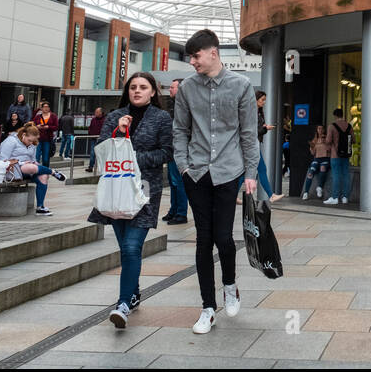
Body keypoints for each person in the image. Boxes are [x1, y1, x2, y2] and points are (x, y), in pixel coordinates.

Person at [172, 29, 258, 335]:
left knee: (224, 237)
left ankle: (230, 285)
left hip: (228, 171)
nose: (192, 62)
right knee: (203, 239)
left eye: (196, 56)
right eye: (190, 57)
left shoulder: (241, 85)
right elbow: (180, 130)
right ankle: (208, 308)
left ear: (213, 53)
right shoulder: (186, 89)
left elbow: (249, 133)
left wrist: (250, 173)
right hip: (195, 173)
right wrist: (182, 166)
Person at [88, 72, 173, 329]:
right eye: (133, 87)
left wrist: (134, 158)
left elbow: (167, 152)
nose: (137, 91)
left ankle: (123, 304)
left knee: (132, 247)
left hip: (145, 190)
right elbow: (101, 149)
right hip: (116, 190)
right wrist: (119, 132)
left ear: (152, 92)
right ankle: (134, 293)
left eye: (143, 87)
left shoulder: (161, 118)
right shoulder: (115, 116)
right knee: (125, 246)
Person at [0, 123, 66, 215]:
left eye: (32, 141)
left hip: (29, 169)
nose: (30, 143)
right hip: (12, 170)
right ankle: (53, 172)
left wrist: (34, 162)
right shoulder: (11, 141)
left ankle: (40, 207)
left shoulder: (32, 144)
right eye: (29, 140)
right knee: (30, 167)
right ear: (24, 135)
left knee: (43, 175)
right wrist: (21, 163)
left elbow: (33, 159)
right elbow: (2, 159)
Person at [162, 79, 188, 223]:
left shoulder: (183, 105)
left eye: (172, 87)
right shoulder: (175, 105)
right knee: (173, 182)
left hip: (179, 151)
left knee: (179, 183)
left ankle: (181, 213)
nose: (170, 90)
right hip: (172, 149)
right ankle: (174, 210)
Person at [253, 90, 285, 203]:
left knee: (247, 171)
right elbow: (253, 131)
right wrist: (265, 128)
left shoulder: (258, 112)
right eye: (262, 100)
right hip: (251, 145)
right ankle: (271, 195)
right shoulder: (252, 112)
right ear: (256, 99)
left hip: (254, 144)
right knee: (261, 169)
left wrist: (264, 127)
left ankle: (271, 195)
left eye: (265, 100)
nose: (264, 102)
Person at [324, 108, 353, 205]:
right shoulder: (349, 126)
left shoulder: (332, 126)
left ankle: (335, 197)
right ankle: (345, 197)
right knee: (346, 175)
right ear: (342, 115)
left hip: (335, 155)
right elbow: (353, 140)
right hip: (346, 155)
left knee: (336, 175)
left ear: (335, 116)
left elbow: (328, 141)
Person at [302, 120, 335, 201]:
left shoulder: (327, 138)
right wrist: (312, 147)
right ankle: (306, 192)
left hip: (325, 159)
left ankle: (319, 187)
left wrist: (326, 143)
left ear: (324, 130)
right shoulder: (315, 139)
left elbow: (330, 150)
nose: (320, 130)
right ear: (316, 130)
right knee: (311, 171)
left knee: (323, 168)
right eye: (318, 129)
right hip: (317, 159)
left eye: (321, 129)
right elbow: (313, 153)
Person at [34, 102, 59, 168]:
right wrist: (37, 126)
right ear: (41, 108)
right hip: (38, 139)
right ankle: (37, 171)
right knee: (36, 157)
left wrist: (48, 127)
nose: (46, 108)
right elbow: (32, 126)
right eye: (44, 107)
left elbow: (56, 127)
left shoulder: (53, 116)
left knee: (45, 159)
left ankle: (45, 172)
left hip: (47, 140)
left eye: (47, 107)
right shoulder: (37, 117)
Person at [86, 106, 105, 172]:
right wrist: (90, 134)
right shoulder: (93, 119)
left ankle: (103, 168)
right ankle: (91, 167)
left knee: (102, 154)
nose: (95, 113)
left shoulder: (105, 120)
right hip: (93, 138)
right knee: (92, 153)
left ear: (101, 113)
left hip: (101, 139)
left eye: (97, 112)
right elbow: (90, 127)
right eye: (95, 112)